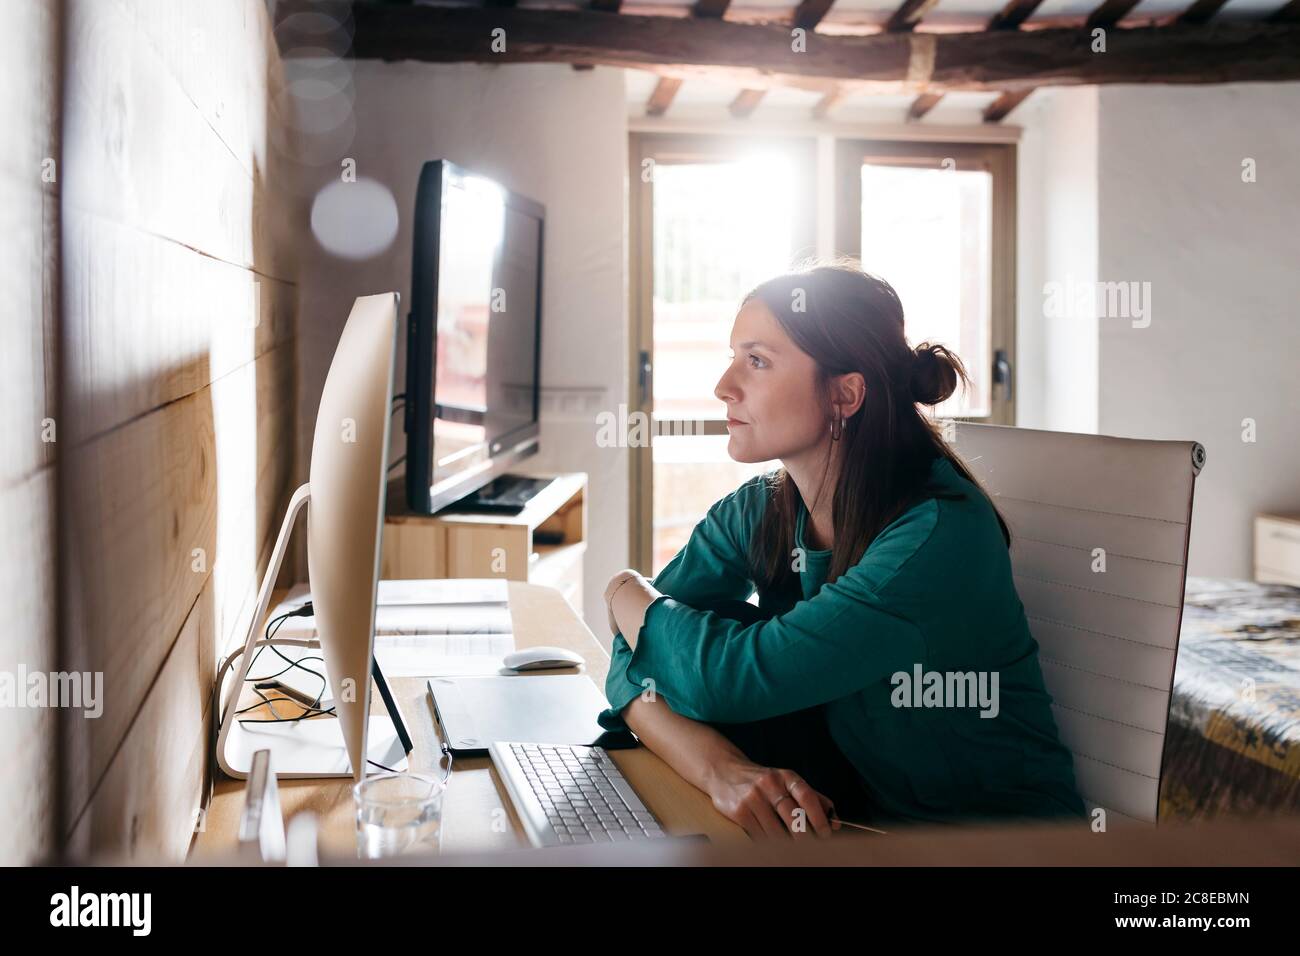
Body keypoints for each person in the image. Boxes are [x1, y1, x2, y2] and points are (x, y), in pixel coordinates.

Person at [600, 259, 1086, 841]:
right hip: (855, 822)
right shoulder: (761, 509)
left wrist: (624, 591)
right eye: (733, 357)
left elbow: (725, 677)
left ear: (844, 394)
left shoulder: (936, 538)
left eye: (757, 361)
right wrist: (719, 770)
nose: (724, 385)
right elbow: (634, 664)